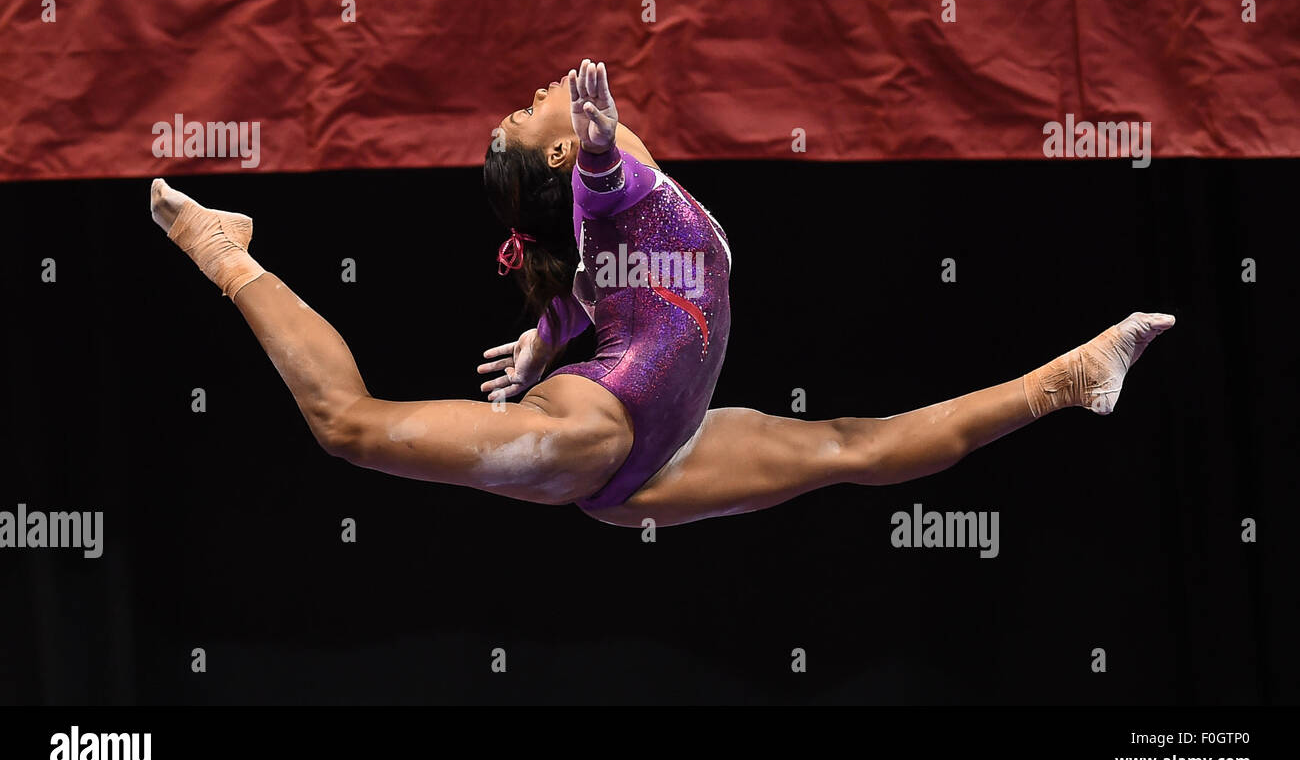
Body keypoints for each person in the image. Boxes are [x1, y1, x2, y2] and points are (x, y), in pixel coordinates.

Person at [150, 58, 1175, 526]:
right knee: (350, 426)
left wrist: (554, 328)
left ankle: (1066, 379)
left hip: (652, 448)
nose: (534, 85)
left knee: (853, 450)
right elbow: (603, 204)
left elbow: (604, 269)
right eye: (527, 108)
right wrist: (594, 161)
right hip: (607, 432)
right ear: (563, 146)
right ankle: (225, 251)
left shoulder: (610, 223)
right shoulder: (613, 181)